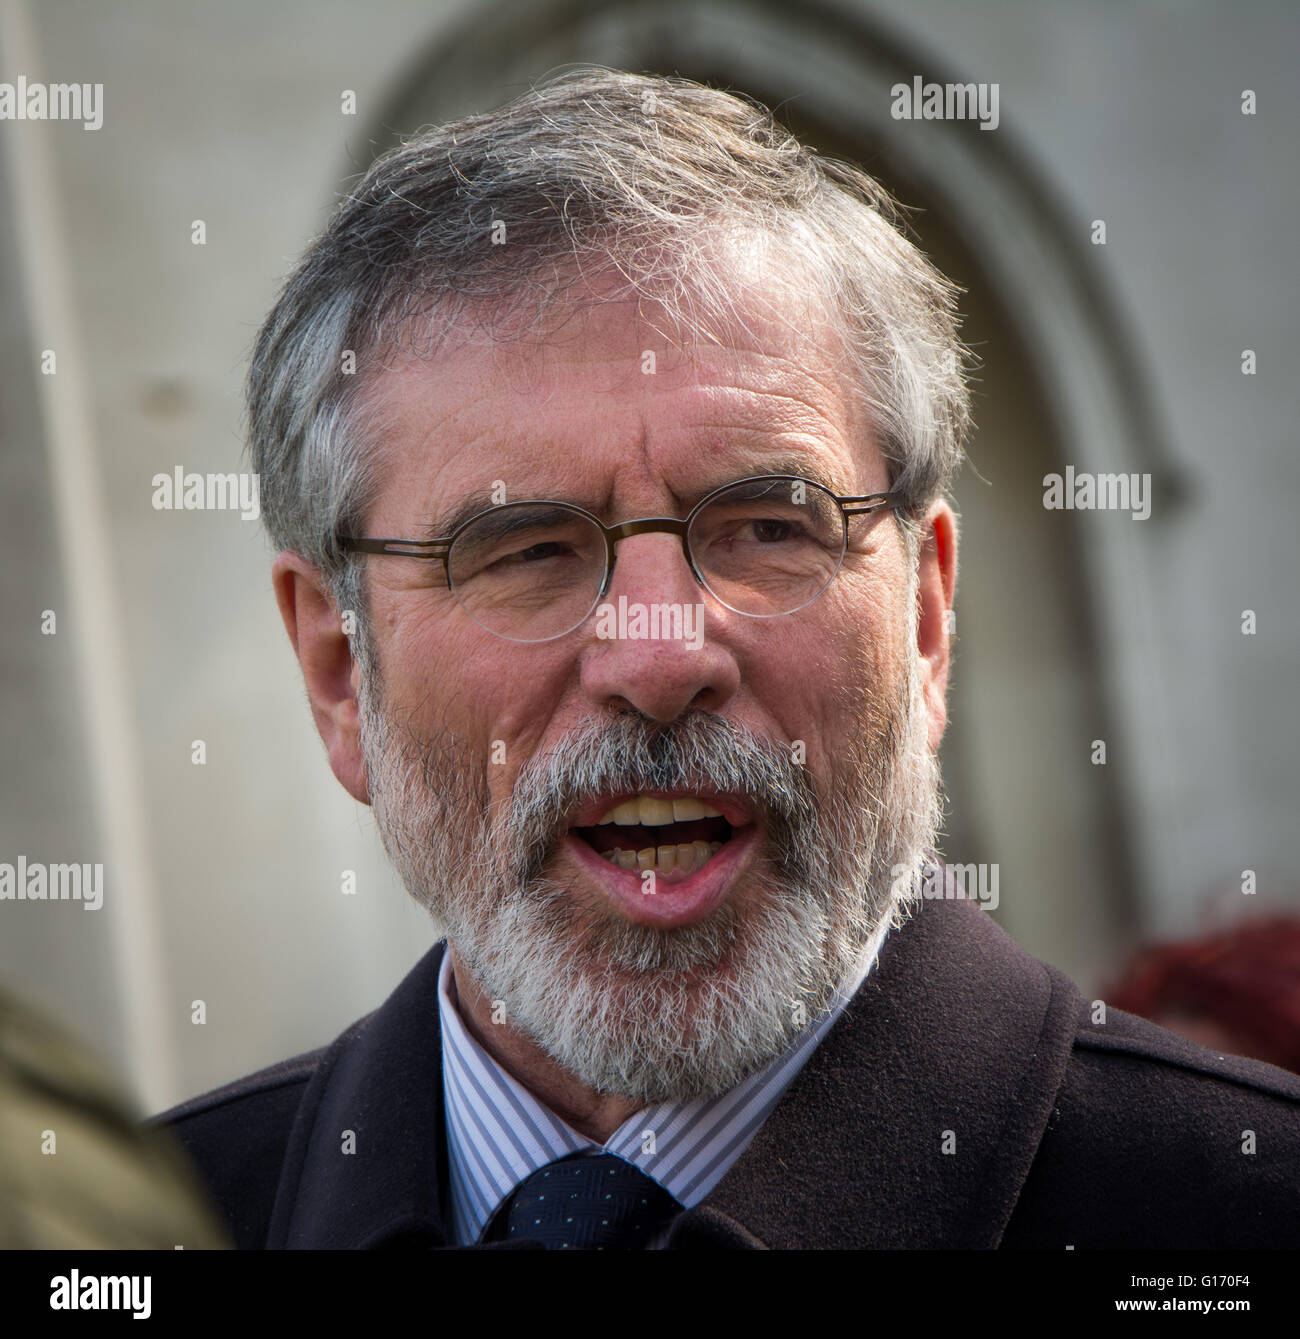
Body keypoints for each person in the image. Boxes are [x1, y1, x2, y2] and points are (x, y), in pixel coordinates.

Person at [153, 67, 1300, 1249]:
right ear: (340, 670)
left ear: (924, 615)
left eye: (766, 527)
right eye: (526, 548)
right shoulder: (127, 1234)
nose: (658, 657)